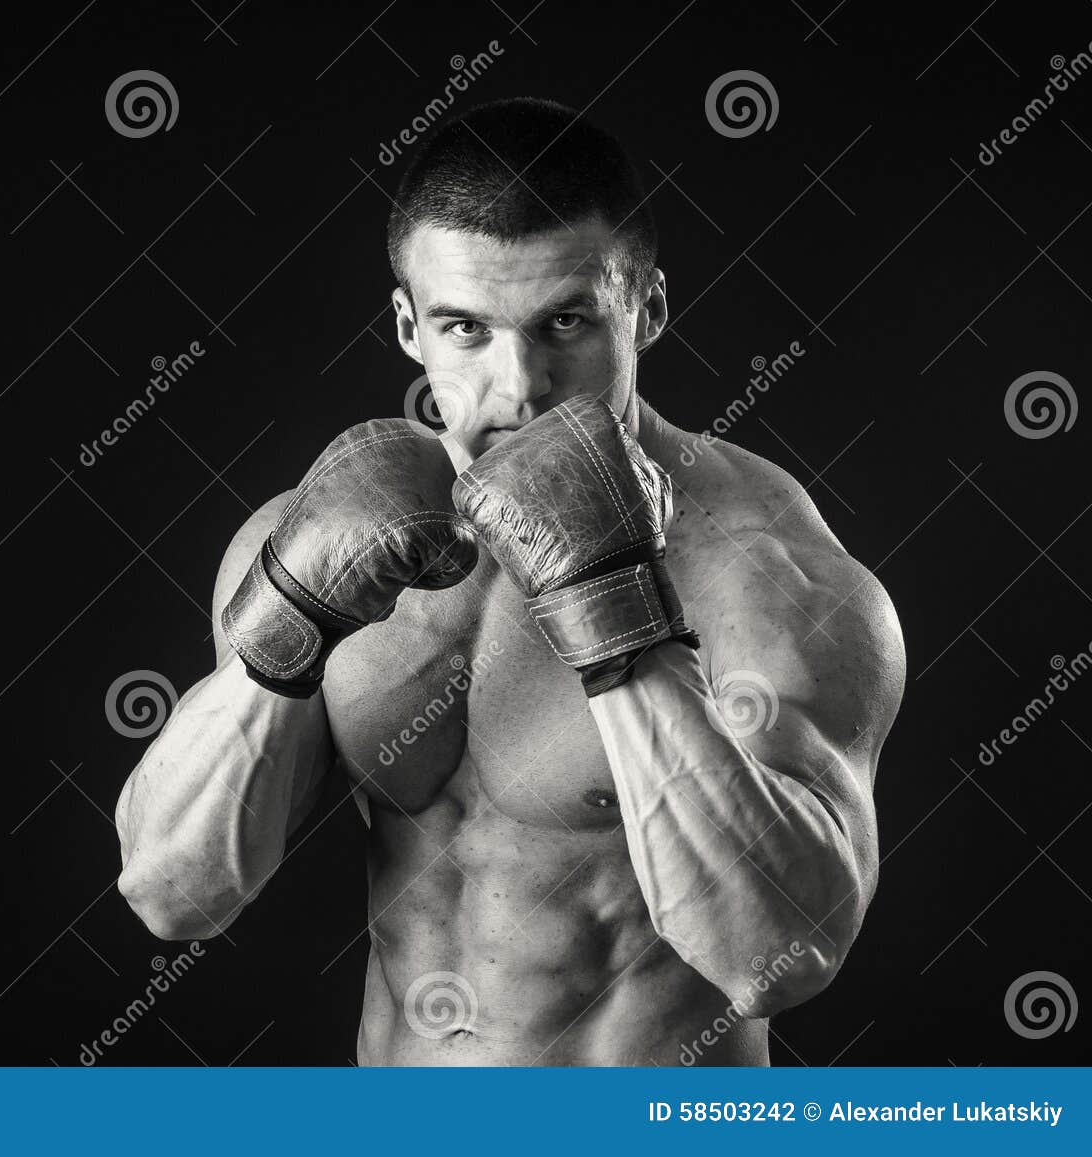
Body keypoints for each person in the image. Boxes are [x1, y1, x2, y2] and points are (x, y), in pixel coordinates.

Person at [114, 97, 904, 1065]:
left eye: (564, 321)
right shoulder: (323, 537)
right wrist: (286, 626)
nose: (518, 382)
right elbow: (172, 890)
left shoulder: (762, 568)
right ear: (409, 324)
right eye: (465, 328)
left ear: (644, 307)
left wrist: (616, 605)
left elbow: (781, 953)